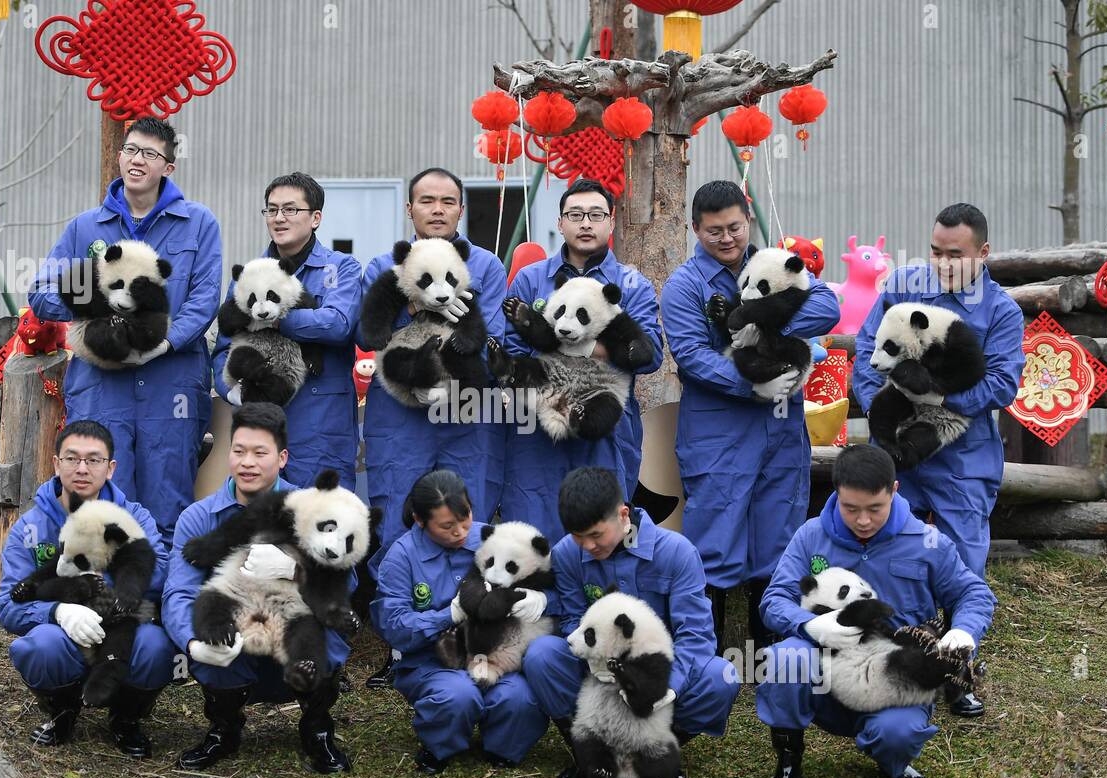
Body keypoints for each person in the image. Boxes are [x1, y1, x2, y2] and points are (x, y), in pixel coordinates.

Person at [754, 445, 996, 778]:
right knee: (786, 658)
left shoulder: (928, 542)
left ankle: (892, 761)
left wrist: (962, 632)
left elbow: (974, 594)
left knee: (897, 734)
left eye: (874, 509)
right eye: (851, 508)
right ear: (836, 493)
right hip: (829, 668)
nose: (862, 520)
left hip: (896, 675)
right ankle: (789, 761)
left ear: (894, 491)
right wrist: (811, 626)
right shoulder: (810, 536)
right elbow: (774, 600)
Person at [854, 203, 1022, 718]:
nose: (943, 263)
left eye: (956, 255)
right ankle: (890, 665)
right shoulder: (904, 287)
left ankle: (958, 672)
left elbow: (1002, 383)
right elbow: (866, 352)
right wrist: (880, 412)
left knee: (963, 567)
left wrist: (938, 403)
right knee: (890, 555)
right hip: (899, 452)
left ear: (984, 253)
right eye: (935, 251)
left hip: (962, 458)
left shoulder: (1001, 311)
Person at [659, 180, 840, 654]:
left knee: (778, 533)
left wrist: (762, 322)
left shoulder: (773, 265)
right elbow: (692, 354)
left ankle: (772, 649)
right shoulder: (684, 285)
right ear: (695, 229)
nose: (727, 239)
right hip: (720, 427)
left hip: (781, 428)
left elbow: (826, 305)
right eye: (714, 231)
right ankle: (708, 652)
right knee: (714, 537)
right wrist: (749, 382)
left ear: (749, 218)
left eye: (735, 227)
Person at [29, 116, 222, 547]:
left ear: (168, 167)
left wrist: (163, 344)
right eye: (132, 150)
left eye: (151, 154)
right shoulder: (85, 229)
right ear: (119, 156)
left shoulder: (198, 224)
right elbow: (42, 293)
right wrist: (104, 308)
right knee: (100, 502)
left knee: (168, 498)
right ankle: (103, 603)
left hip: (170, 380)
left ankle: (161, 606)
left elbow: (205, 299)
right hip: (101, 383)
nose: (138, 160)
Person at [359, 167, 507, 687]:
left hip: (466, 411)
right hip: (400, 411)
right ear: (410, 209)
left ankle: (471, 635)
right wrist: (414, 307)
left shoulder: (483, 265)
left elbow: (494, 338)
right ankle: (400, 644)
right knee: (397, 514)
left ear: (461, 210)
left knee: (470, 516)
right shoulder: (387, 263)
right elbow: (371, 330)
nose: (438, 209)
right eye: (427, 201)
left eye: (448, 201)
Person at [522, 467, 740, 778]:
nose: (588, 546)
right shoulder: (568, 553)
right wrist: (601, 667)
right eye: (579, 537)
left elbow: (695, 637)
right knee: (542, 655)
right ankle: (588, 754)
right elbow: (571, 621)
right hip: (597, 680)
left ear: (623, 515)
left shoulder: (677, 553)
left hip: (660, 675)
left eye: (596, 535)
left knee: (721, 677)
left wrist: (664, 689)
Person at [162, 403, 352, 773]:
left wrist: (295, 569)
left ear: (282, 458)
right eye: (239, 451)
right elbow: (179, 592)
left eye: (259, 453)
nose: (247, 462)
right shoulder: (199, 518)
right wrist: (191, 642)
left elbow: (348, 582)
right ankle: (224, 728)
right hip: (238, 637)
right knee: (210, 626)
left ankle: (317, 728)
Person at [0, 420, 172, 758]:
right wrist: (57, 610)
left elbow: (159, 572)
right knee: (40, 647)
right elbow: (7, 605)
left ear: (111, 468)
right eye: (72, 458)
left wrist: (103, 587)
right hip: (62, 635)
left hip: (124, 622)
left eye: (94, 460)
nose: (82, 469)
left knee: (155, 646)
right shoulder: (29, 528)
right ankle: (62, 714)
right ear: (55, 463)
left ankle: (126, 718)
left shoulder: (135, 518)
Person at [500, 179, 663, 541]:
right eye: (575, 215)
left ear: (611, 220)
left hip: (605, 426)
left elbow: (648, 354)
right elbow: (513, 349)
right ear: (560, 223)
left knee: (601, 531)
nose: (585, 223)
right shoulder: (530, 279)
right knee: (532, 530)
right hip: (537, 426)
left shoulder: (629, 285)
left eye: (595, 214)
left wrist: (577, 346)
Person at [369, 470, 548, 774]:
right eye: (447, 526)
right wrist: (447, 616)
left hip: (495, 654)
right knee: (457, 696)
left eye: (465, 518)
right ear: (419, 520)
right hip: (432, 661)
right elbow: (394, 626)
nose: (461, 531)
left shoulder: (490, 537)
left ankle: (502, 748)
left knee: (521, 698)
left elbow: (544, 570)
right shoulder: (401, 558)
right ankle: (442, 744)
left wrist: (540, 598)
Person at [212, 172, 362, 488]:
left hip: (322, 421)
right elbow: (224, 348)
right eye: (272, 209)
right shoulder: (249, 276)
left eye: (291, 209)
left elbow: (338, 325)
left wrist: (275, 319)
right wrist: (236, 393)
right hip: (260, 421)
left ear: (316, 217)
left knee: (320, 522)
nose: (279, 218)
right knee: (259, 524)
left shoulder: (342, 268)